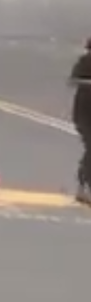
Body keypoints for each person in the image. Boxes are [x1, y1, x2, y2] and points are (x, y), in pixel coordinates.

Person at [69, 40, 91, 204]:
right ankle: (83, 186)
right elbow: (73, 80)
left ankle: (83, 185)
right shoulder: (85, 62)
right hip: (85, 113)